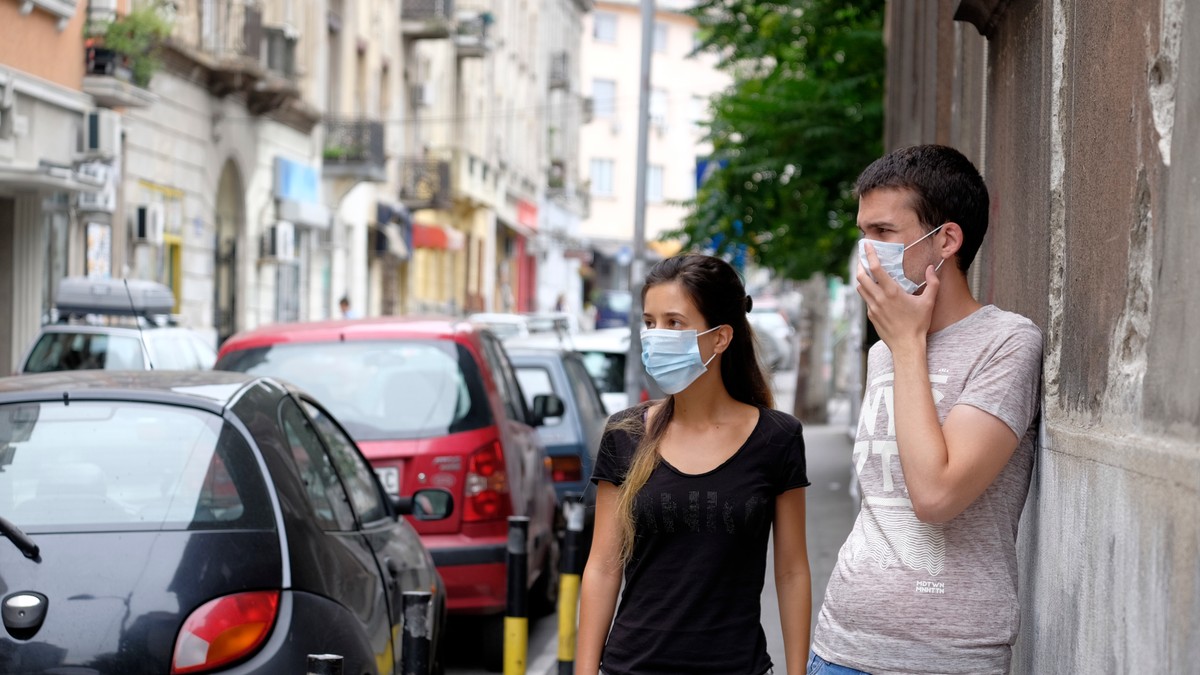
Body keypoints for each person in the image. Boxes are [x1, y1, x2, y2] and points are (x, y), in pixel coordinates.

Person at [810, 145, 1043, 674]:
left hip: (947, 657)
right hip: (839, 645)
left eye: (884, 233)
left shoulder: (1006, 343)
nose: (867, 251)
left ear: (946, 240)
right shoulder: (880, 351)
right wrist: (897, 343)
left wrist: (908, 345)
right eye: (862, 232)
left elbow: (937, 495)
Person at [578, 254, 812, 675]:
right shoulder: (625, 433)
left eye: (673, 322)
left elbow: (792, 570)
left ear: (720, 338)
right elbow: (602, 566)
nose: (655, 337)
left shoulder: (777, 438)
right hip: (631, 667)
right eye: (650, 323)